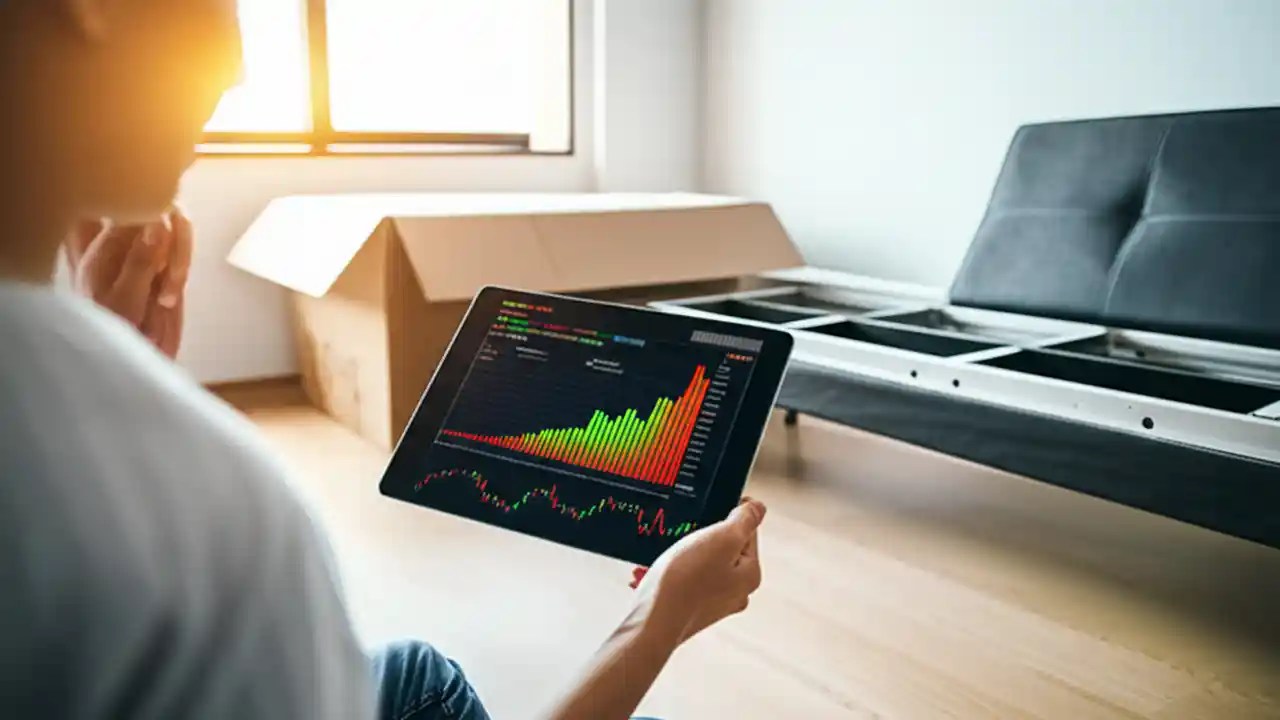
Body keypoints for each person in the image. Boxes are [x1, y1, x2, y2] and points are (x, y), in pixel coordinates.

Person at [0, 2, 767, 719]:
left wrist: (102, 363)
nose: (236, 69)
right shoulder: (230, 510)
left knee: (418, 671)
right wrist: (660, 619)